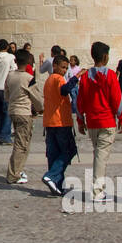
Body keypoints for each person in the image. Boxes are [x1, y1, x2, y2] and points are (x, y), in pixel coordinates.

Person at [75, 42, 122, 202]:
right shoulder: (110, 75)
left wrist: (80, 120)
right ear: (105, 56)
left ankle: (99, 188)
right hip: (106, 120)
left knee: (98, 153)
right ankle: (98, 191)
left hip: (92, 122)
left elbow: (80, 101)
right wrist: (121, 117)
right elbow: (117, 100)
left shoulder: (85, 76)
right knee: (101, 155)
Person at [3, 51, 44, 184]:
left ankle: (18, 170)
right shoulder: (28, 78)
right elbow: (36, 98)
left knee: (22, 142)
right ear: (28, 62)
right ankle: (13, 174)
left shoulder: (9, 76)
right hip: (24, 112)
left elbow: (7, 95)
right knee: (21, 144)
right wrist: (40, 108)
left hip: (13, 110)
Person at [41, 55, 77, 195]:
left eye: (66, 68)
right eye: (62, 67)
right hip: (61, 122)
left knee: (54, 154)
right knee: (69, 151)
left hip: (49, 122)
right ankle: (51, 175)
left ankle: (57, 186)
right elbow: (64, 90)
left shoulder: (48, 80)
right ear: (54, 66)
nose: (64, 70)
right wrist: (76, 77)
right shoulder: (57, 78)